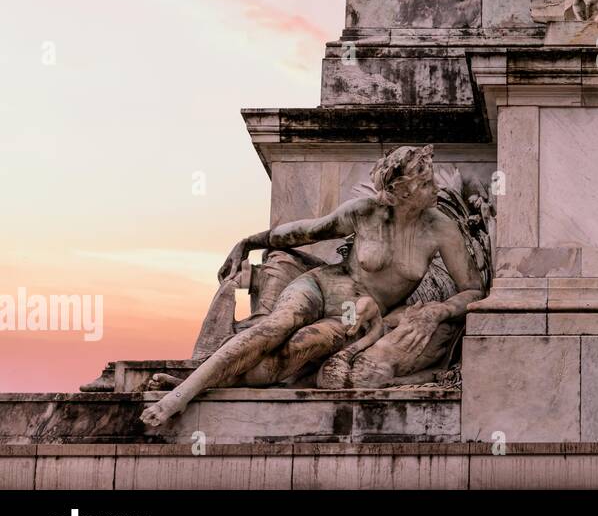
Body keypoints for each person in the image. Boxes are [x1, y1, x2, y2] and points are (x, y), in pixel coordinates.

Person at [141, 146, 482, 426]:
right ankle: (180, 396)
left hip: (352, 314)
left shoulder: (441, 229)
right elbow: (306, 231)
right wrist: (249, 242)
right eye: (425, 184)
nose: (434, 188)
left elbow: (473, 288)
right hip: (320, 286)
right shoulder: (365, 212)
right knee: (277, 326)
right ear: (401, 192)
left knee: (287, 357)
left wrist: (439, 310)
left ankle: (203, 382)